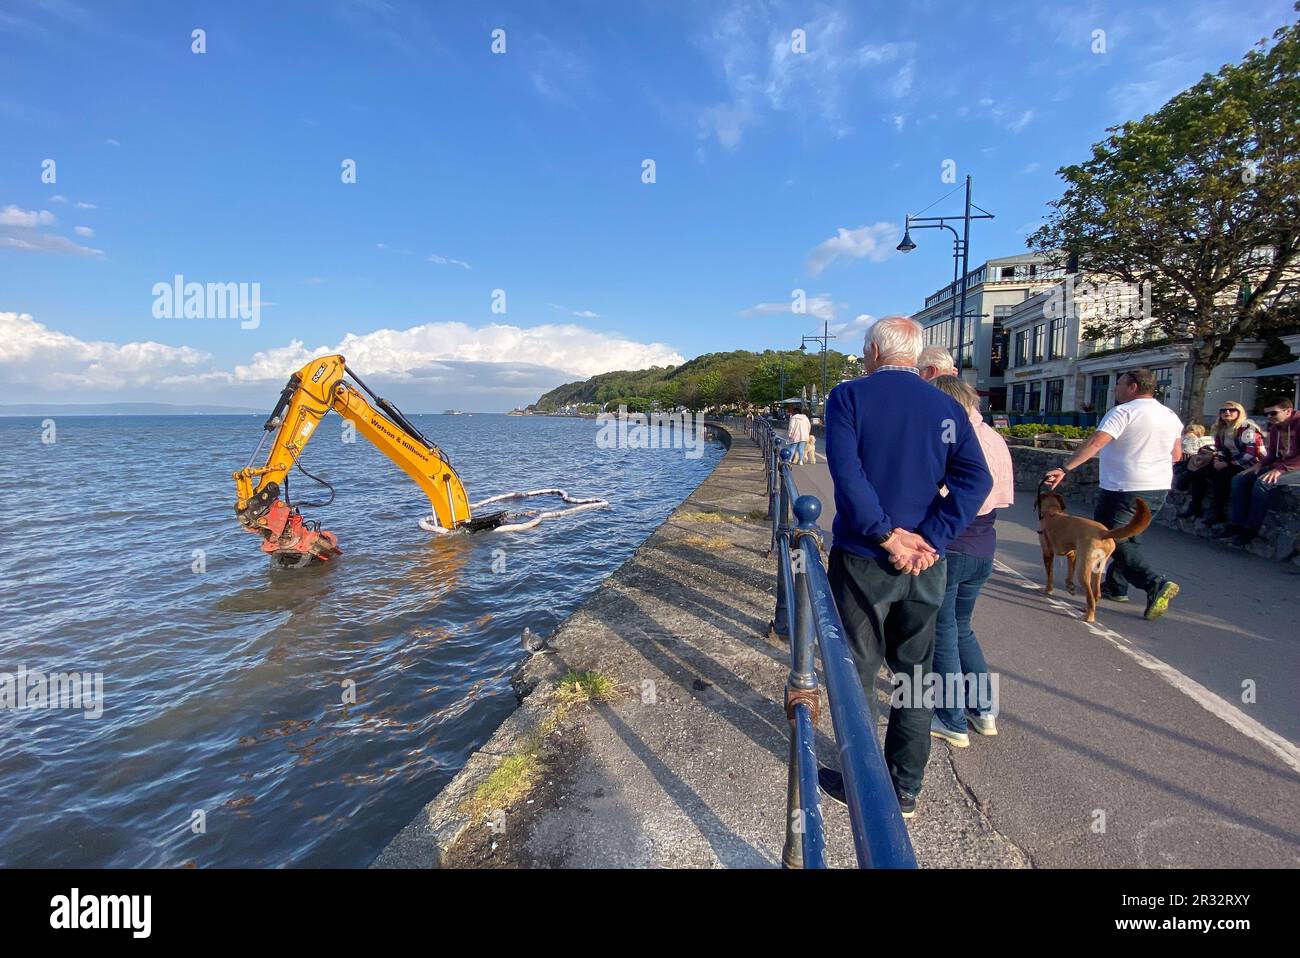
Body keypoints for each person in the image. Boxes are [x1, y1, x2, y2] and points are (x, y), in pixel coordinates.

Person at [818, 316, 992, 819]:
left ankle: (861, 780)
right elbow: (974, 481)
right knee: (916, 675)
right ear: (914, 356)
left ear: (873, 350)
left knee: (858, 670)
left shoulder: (848, 397)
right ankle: (905, 787)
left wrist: (884, 533)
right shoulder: (945, 404)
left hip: (864, 559)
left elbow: (846, 474)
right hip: (926, 563)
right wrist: (931, 539)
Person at [1043, 368, 1183, 621]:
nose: (1114, 389)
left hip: (1124, 486)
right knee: (1130, 538)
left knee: (1109, 538)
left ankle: (1155, 584)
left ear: (1133, 387)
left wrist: (1065, 468)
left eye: (1119, 384)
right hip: (1159, 486)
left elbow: (1097, 442)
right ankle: (1116, 588)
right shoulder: (1170, 415)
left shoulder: (1123, 412)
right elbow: (1176, 455)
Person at [927, 375, 1013, 747]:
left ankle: (951, 719)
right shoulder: (994, 436)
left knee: (942, 633)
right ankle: (983, 709)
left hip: (955, 542)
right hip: (985, 545)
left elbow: (940, 490)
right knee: (963, 628)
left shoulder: (954, 438)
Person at [1225, 398, 1300, 546]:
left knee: (1263, 483)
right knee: (1239, 479)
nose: (1269, 417)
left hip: (1294, 467)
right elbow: (1272, 454)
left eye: (1273, 413)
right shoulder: (1275, 428)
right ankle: (1237, 524)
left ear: (1288, 411)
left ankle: (1251, 529)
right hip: (1282, 465)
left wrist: (1280, 470)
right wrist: (1259, 465)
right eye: (1267, 414)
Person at [1181, 402, 1262, 525]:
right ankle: (1195, 506)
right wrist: (1219, 460)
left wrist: (1228, 463)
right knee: (1199, 472)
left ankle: (1218, 512)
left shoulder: (1247, 428)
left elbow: (1250, 455)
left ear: (1239, 412)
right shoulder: (1221, 428)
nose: (1227, 412)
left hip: (1248, 464)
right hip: (1230, 461)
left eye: (1231, 410)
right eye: (1223, 410)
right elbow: (1219, 449)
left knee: (1221, 476)